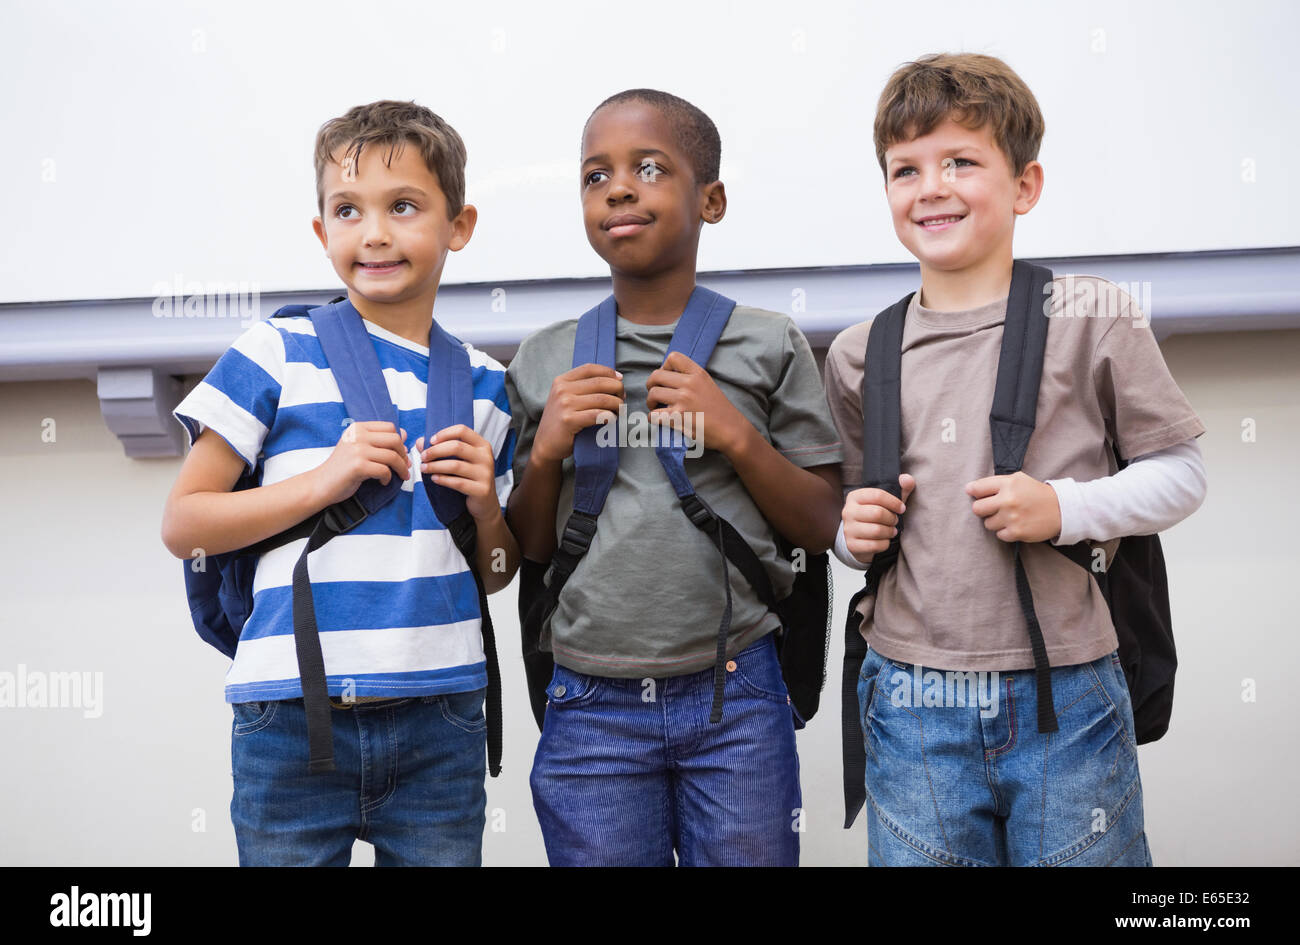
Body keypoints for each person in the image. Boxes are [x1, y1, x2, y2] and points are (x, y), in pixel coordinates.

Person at [823, 53, 1208, 866]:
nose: (931, 186)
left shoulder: (1092, 315)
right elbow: (856, 516)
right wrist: (846, 532)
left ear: (1025, 187)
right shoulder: (861, 353)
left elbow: (1182, 473)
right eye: (906, 169)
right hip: (910, 697)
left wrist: (1064, 508)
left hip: (1066, 694)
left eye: (961, 161)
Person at [161, 100, 518, 866]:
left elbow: (496, 573)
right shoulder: (276, 351)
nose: (375, 233)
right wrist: (325, 480)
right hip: (289, 716)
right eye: (348, 211)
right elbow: (184, 525)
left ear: (459, 225)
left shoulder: (487, 385)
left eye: (404, 206)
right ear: (323, 233)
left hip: (442, 717)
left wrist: (487, 506)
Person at [505, 89, 843, 866]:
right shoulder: (545, 357)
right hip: (589, 703)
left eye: (648, 168)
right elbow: (522, 547)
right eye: (595, 176)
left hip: (738, 695)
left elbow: (822, 524)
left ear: (711, 199)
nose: (617, 188)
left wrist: (735, 435)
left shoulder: (770, 342)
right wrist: (549, 448)